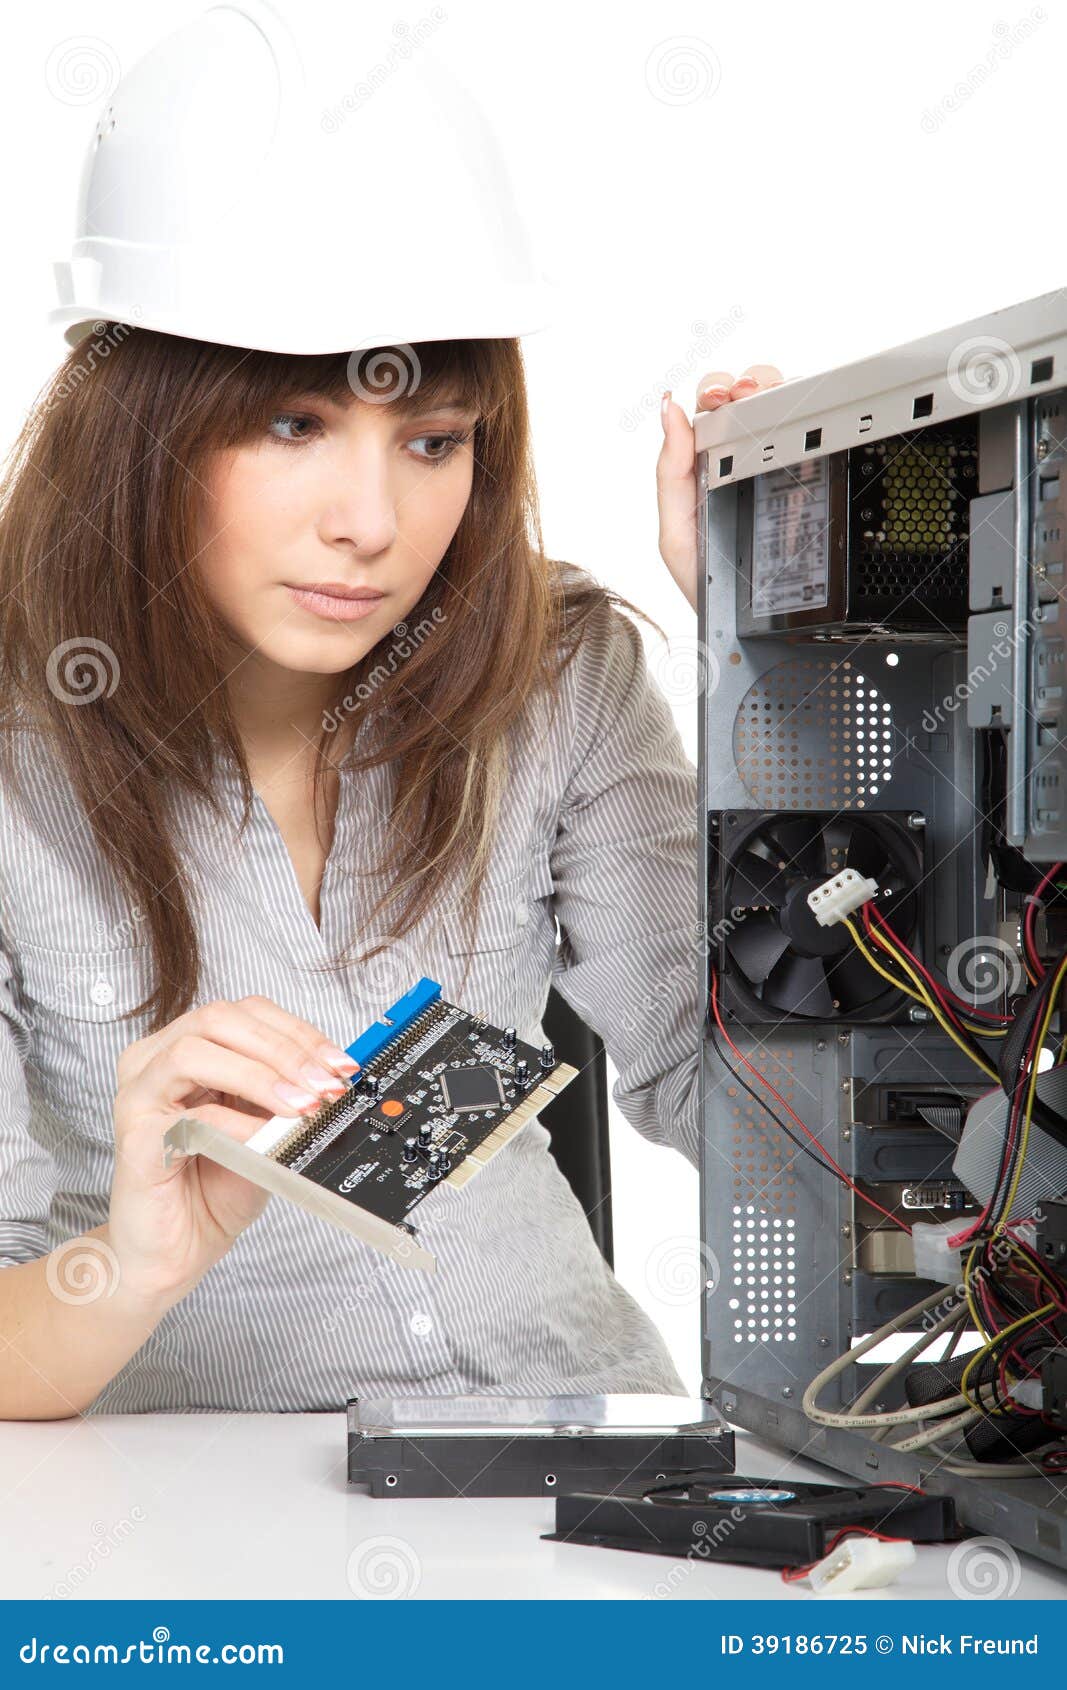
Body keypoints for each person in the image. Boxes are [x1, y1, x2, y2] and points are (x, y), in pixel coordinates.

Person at [0, 0, 784, 1417]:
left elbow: (752, 1103)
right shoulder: (18, 757)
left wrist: (783, 661)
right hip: (192, 1507)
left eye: (432, 442)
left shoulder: (557, 672)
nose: (374, 521)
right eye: (293, 425)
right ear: (136, 421)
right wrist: (130, 1257)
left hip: (580, 1458)